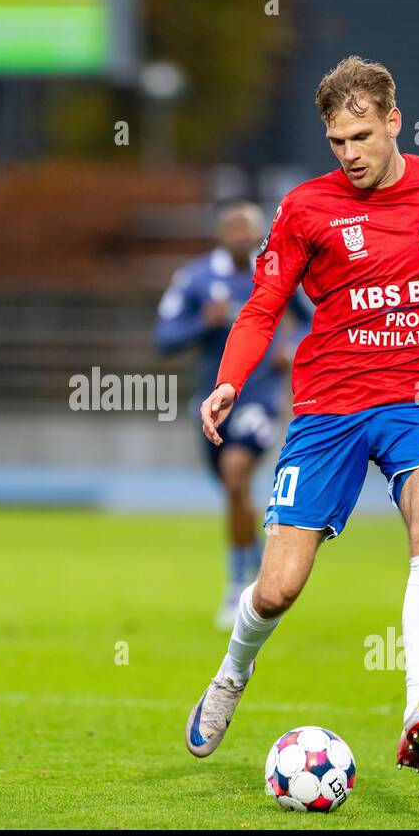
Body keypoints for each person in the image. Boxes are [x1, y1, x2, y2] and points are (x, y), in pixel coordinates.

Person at [183, 56, 419, 773]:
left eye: (362, 136)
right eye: (337, 142)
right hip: (330, 405)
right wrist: (230, 380)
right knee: (278, 588)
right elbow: (264, 305)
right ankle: (233, 673)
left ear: (394, 122)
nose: (350, 154)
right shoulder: (305, 209)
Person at [155, 200, 311, 629]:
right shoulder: (196, 278)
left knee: (236, 472)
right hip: (212, 399)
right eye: (233, 228)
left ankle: (237, 584)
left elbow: (315, 319)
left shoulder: (277, 272)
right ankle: (258, 560)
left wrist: (291, 349)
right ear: (221, 233)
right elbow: (164, 336)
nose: (240, 236)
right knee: (231, 488)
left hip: (259, 396)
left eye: (248, 229)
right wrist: (203, 323)